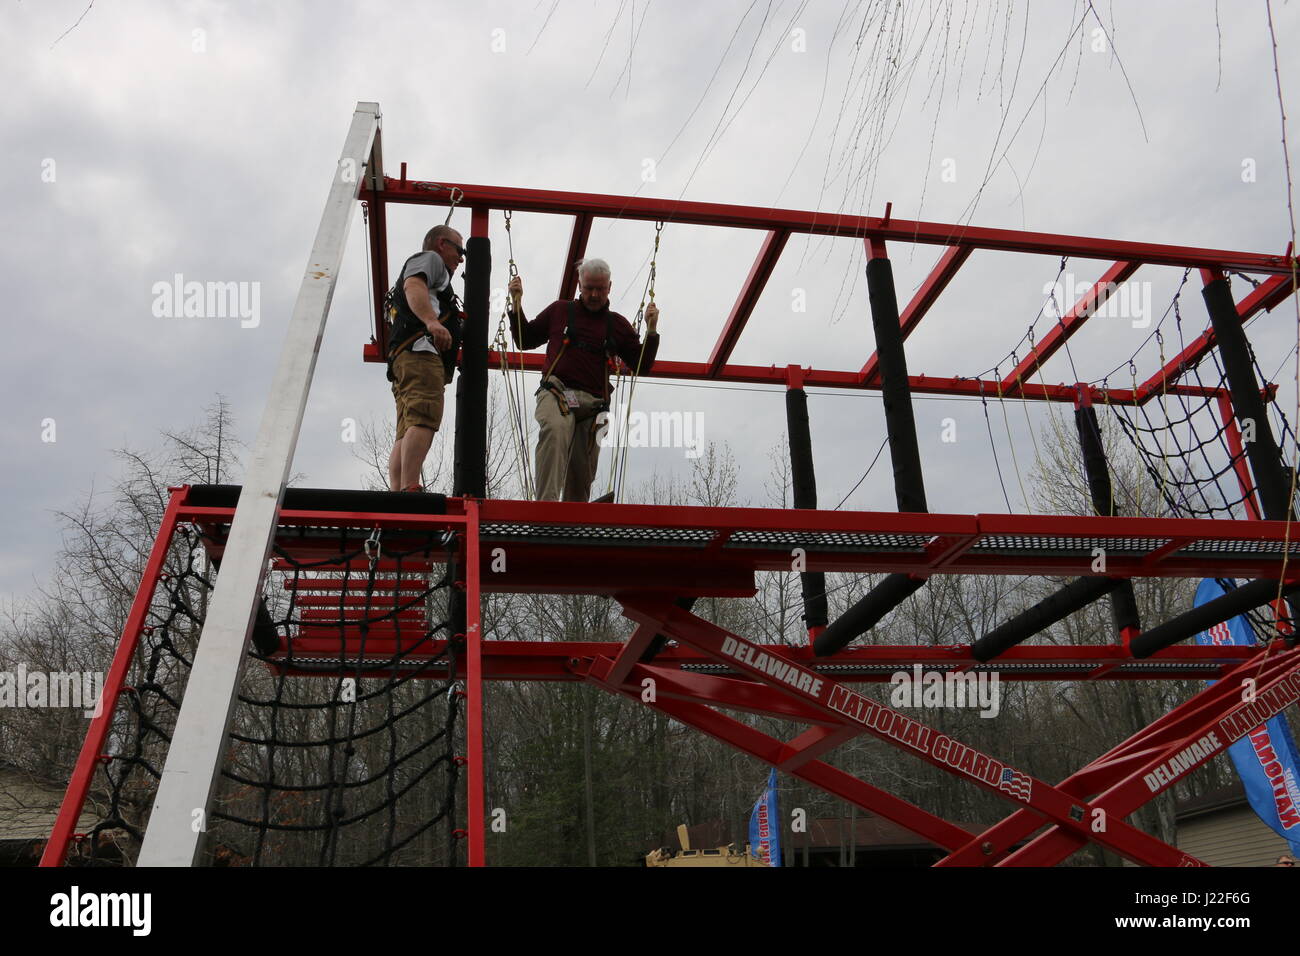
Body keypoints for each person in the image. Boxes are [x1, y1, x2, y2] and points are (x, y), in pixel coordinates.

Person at [507, 259, 660, 501]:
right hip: (557, 392)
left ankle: (573, 517)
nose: (594, 294)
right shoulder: (560, 311)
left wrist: (651, 332)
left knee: (582, 465)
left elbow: (642, 365)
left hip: (593, 404)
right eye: (589, 288)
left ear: (610, 287)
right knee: (555, 431)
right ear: (579, 285)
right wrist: (516, 304)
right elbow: (526, 339)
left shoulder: (616, 325)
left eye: (600, 288)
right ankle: (545, 506)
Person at [385, 224, 465, 492]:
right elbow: (414, 284)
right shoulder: (430, 260)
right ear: (442, 244)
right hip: (421, 352)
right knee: (424, 416)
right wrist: (432, 322)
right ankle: (409, 487)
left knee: (406, 427)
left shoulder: (435, 275)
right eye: (459, 249)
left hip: (404, 358)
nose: (461, 258)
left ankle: (398, 492)